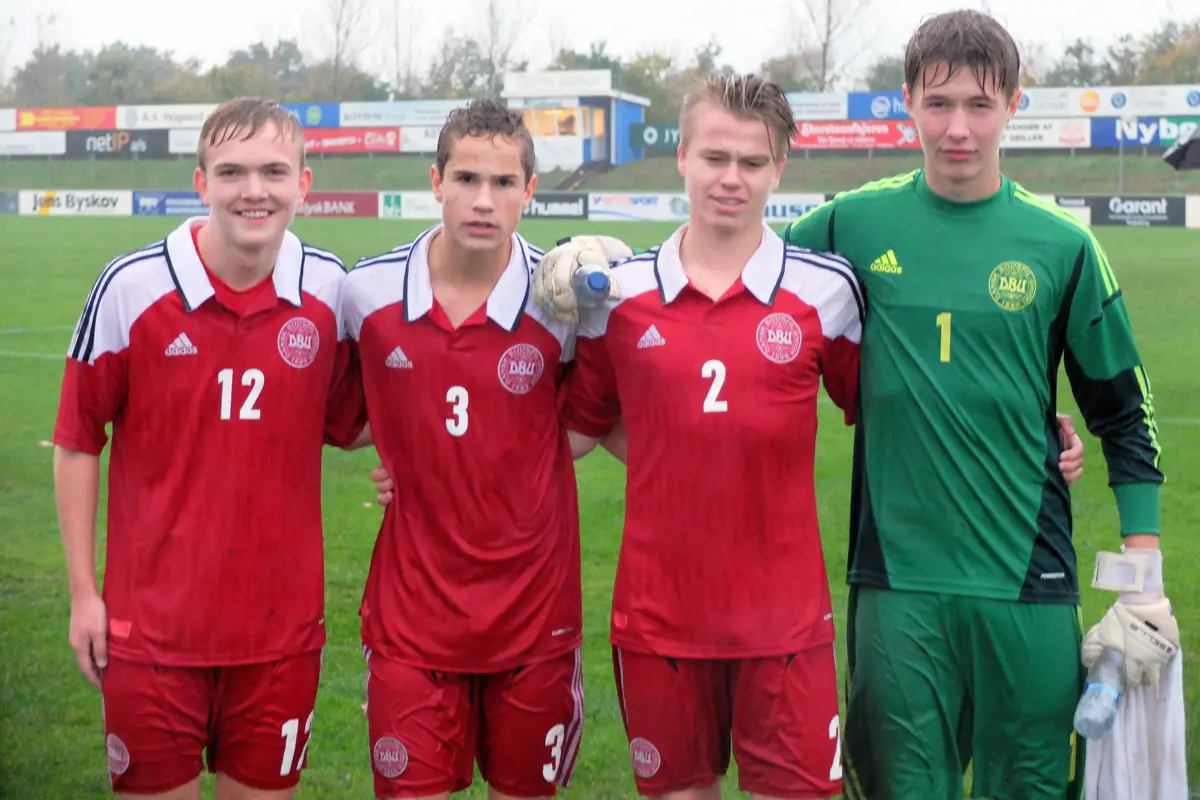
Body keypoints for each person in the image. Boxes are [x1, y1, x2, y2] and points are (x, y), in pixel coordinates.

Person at [528, 14, 1160, 800]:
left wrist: (1145, 577)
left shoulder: (1063, 244)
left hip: (1028, 575)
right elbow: (721, 248)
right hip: (894, 581)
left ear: (1013, 105)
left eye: (978, 105)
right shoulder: (849, 229)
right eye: (939, 104)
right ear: (908, 104)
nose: (957, 127)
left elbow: (1126, 419)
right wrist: (608, 259)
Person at [52, 97, 365, 799]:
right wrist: (82, 595)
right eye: (232, 172)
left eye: (274, 172)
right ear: (201, 184)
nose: (254, 191)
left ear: (304, 186)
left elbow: (359, 421)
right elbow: (76, 441)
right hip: (151, 633)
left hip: (281, 636)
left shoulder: (328, 289)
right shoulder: (131, 289)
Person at [340, 99, 601, 800]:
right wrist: (408, 454)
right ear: (435, 180)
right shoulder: (364, 294)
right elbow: (342, 416)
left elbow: (594, 419)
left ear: (531, 192)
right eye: (465, 180)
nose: (483, 201)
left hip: (534, 618)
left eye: (504, 183)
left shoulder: (565, 304)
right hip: (410, 620)